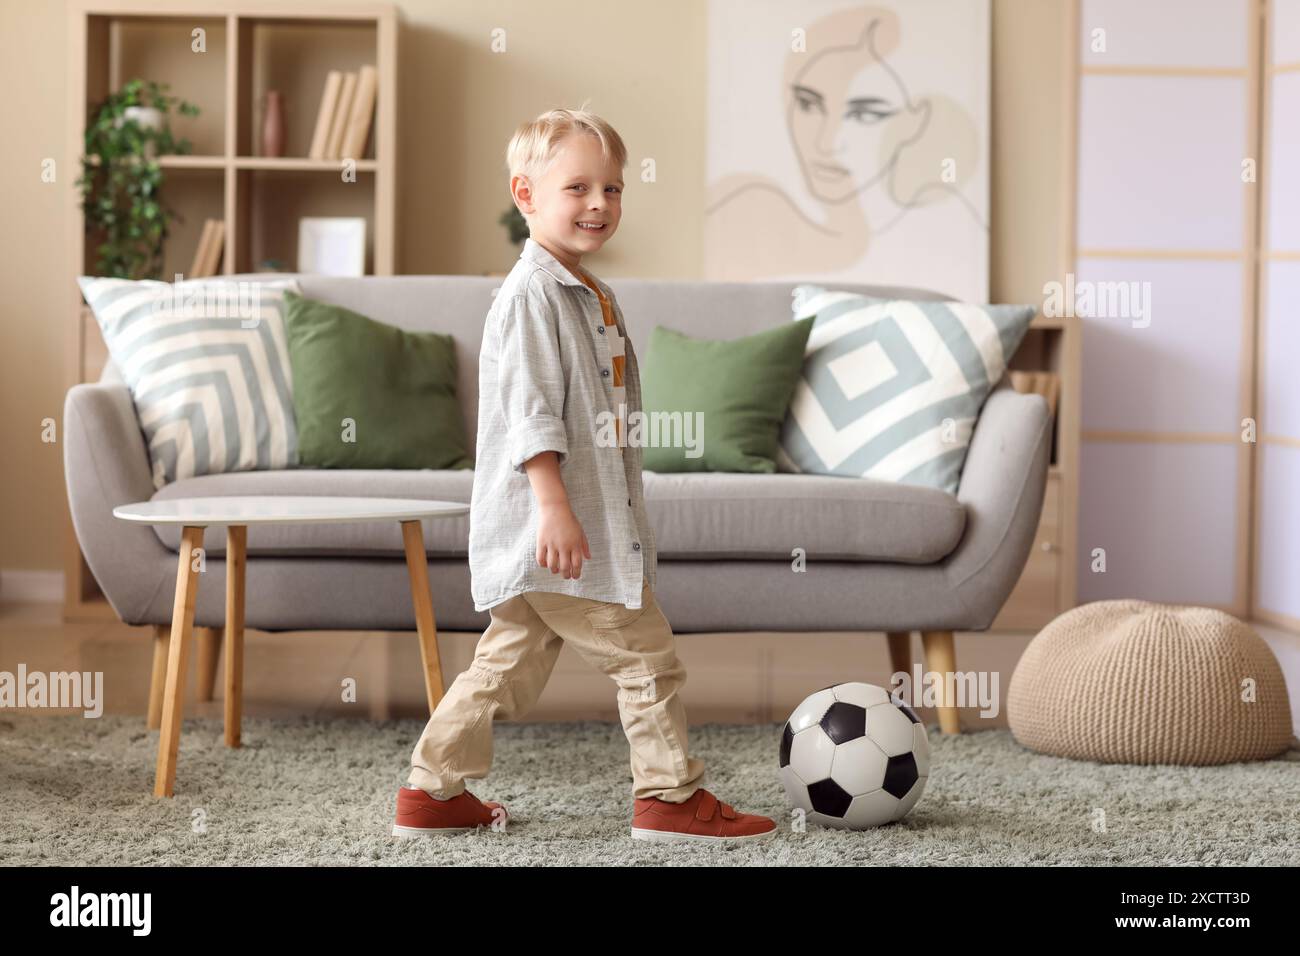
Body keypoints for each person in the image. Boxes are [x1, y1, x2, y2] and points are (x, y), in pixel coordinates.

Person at [392, 107, 776, 843]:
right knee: (646, 657)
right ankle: (667, 796)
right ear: (526, 194)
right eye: (578, 187)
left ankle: (431, 791)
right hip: (565, 528)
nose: (599, 204)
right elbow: (530, 411)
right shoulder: (533, 296)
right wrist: (554, 507)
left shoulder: (586, 291)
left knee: (506, 665)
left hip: (571, 526)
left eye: (613, 189)